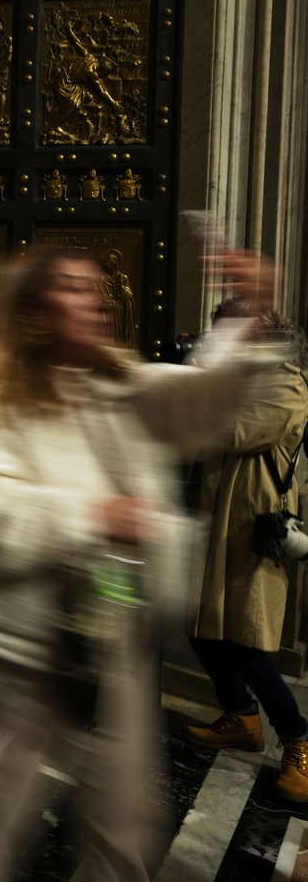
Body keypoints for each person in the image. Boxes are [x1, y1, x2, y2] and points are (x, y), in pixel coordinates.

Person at [0, 247, 280, 882]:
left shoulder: (116, 387)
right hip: (22, 659)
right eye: (75, 289)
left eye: (101, 288)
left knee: (123, 821)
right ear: (32, 312)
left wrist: (245, 322)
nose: (100, 300)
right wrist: (88, 516)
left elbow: (205, 401)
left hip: (110, 644)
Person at [185, 299, 308, 801]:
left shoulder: (288, 384)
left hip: (251, 531)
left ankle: (299, 742)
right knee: (200, 626)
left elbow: (232, 432)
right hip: (216, 526)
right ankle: (240, 717)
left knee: (248, 642)